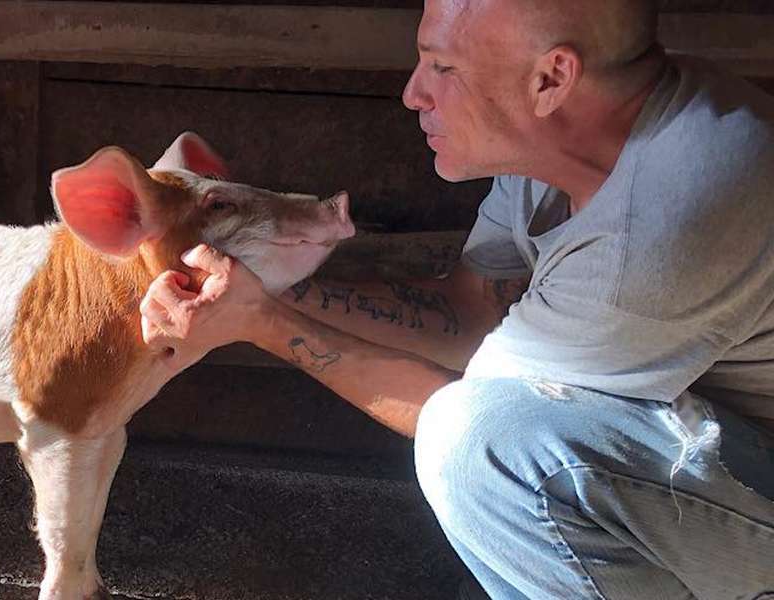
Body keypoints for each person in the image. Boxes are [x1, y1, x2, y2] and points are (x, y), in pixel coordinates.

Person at [138, 0, 774, 597]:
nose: (413, 93)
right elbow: (471, 317)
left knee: (478, 447)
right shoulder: (572, 149)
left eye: (443, 68)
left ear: (552, 79)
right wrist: (268, 287)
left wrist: (262, 320)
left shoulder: (667, 215)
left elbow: (459, 411)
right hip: (730, 469)